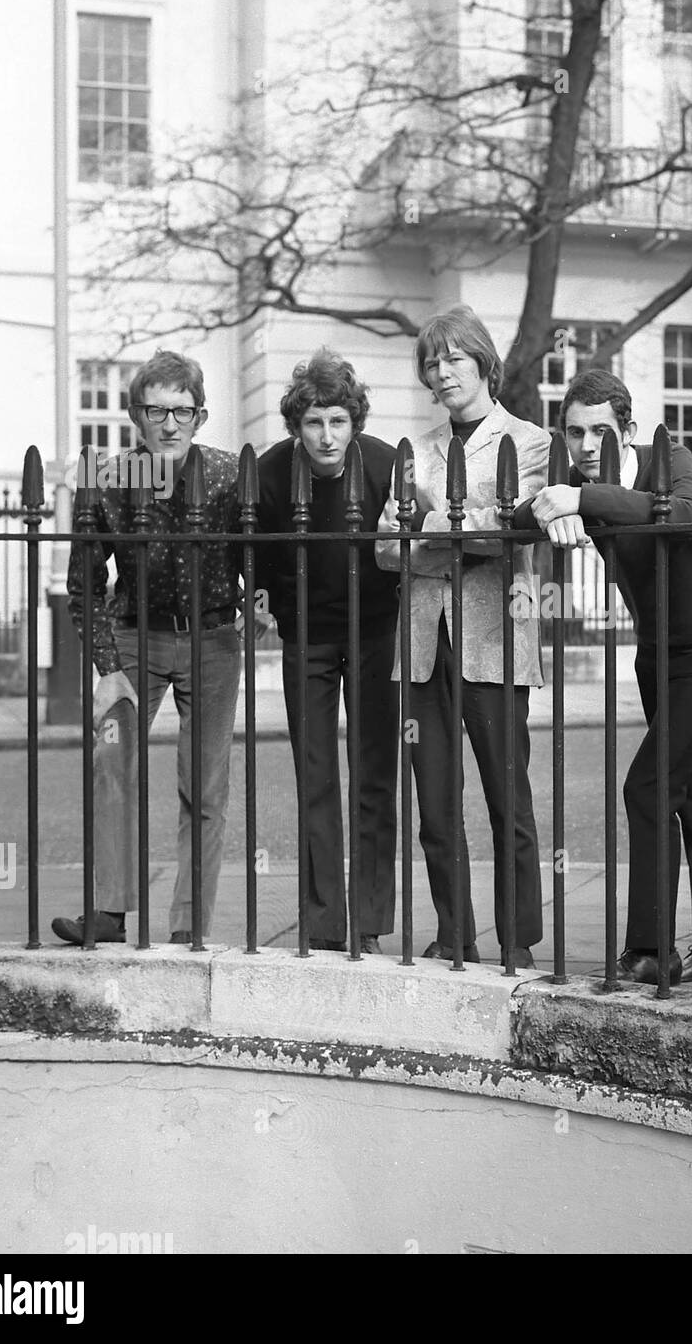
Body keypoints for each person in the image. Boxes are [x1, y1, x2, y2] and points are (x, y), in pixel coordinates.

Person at [521, 369, 692, 985]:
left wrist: (582, 502)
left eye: (599, 430)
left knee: (646, 788)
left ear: (624, 427)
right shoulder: (575, 484)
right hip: (657, 654)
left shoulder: (666, 454)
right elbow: (523, 513)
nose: (587, 444)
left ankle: (652, 950)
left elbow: (686, 511)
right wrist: (551, 514)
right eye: (574, 432)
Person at [375, 305, 549, 968]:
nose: (440, 372)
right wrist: (442, 533)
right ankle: (454, 933)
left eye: (452, 359)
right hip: (422, 645)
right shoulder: (414, 451)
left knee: (509, 802)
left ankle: (518, 941)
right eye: (430, 362)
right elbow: (387, 554)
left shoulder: (529, 443)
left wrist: (431, 527)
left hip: (495, 641)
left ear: (484, 364)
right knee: (435, 809)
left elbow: (502, 532)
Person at [53, 350, 244, 945]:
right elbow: (83, 586)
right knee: (112, 764)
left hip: (213, 639)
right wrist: (107, 668)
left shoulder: (228, 474)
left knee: (205, 785)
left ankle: (191, 928)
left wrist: (258, 606)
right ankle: (109, 914)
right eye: (155, 409)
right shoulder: (109, 477)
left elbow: (259, 557)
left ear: (200, 415)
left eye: (181, 410)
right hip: (133, 636)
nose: (169, 423)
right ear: (136, 414)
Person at [255, 349, 399, 953]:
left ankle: (366, 919)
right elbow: (257, 554)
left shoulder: (386, 465)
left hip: (376, 632)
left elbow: (406, 544)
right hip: (306, 636)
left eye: (337, 421)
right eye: (314, 422)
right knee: (314, 777)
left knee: (373, 774)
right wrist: (261, 602)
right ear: (297, 425)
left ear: (354, 422)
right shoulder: (268, 472)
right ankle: (321, 923)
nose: (326, 435)